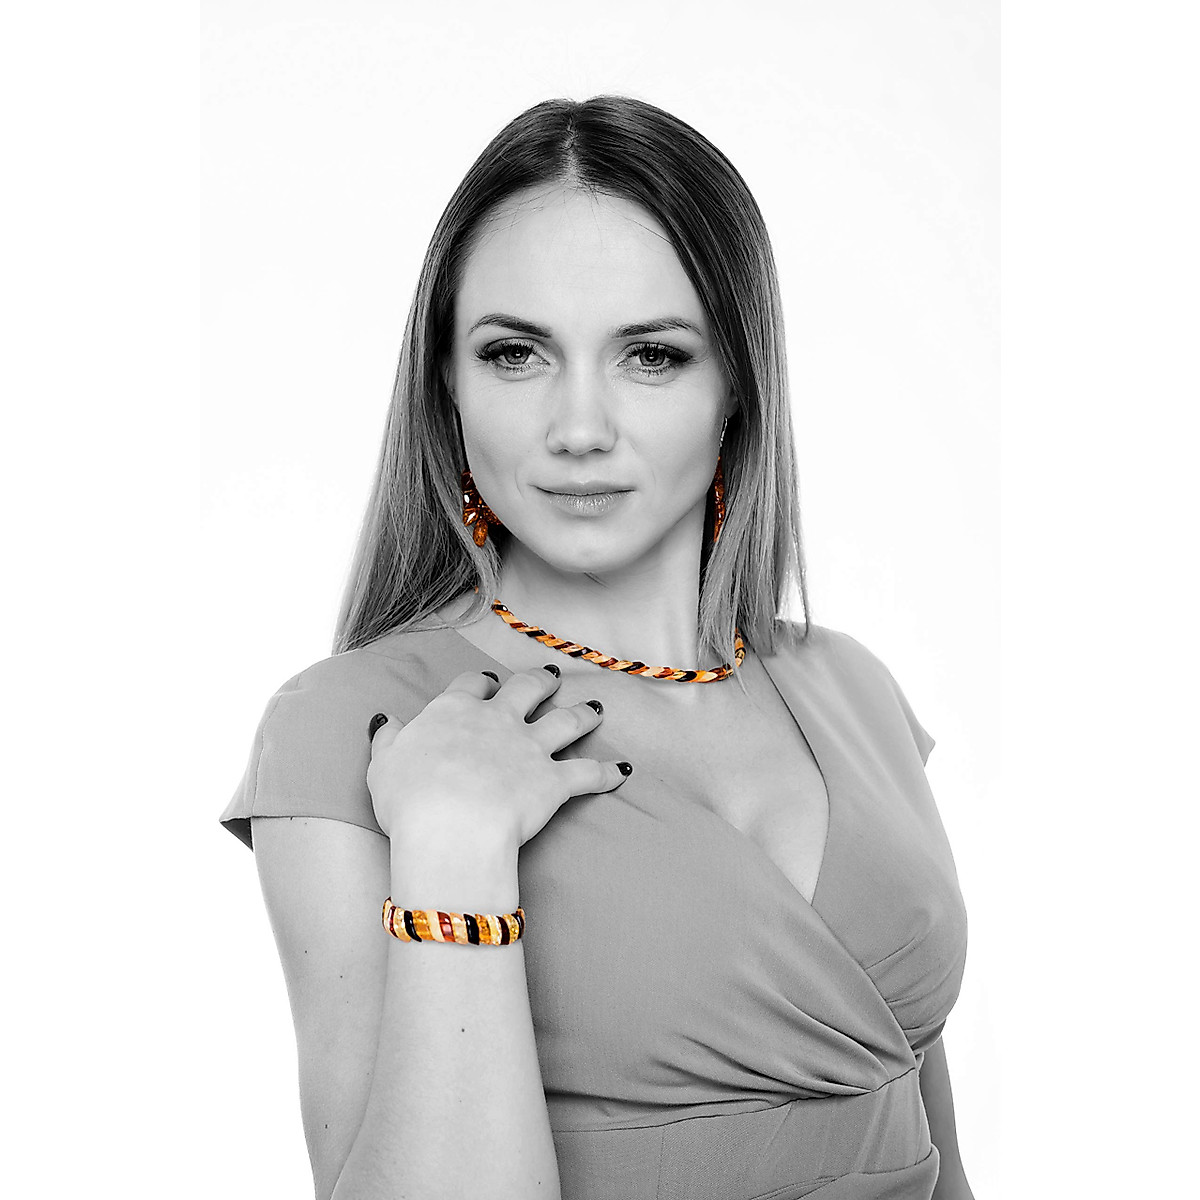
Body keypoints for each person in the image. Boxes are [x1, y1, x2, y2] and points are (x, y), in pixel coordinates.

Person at [219, 94, 973, 1200]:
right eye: (516, 353)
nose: (579, 430)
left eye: (651, 356)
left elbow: (936, 1153)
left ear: (737, 385)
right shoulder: (356, 726)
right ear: (446, 385)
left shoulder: (854, 689)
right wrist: (454, 854)